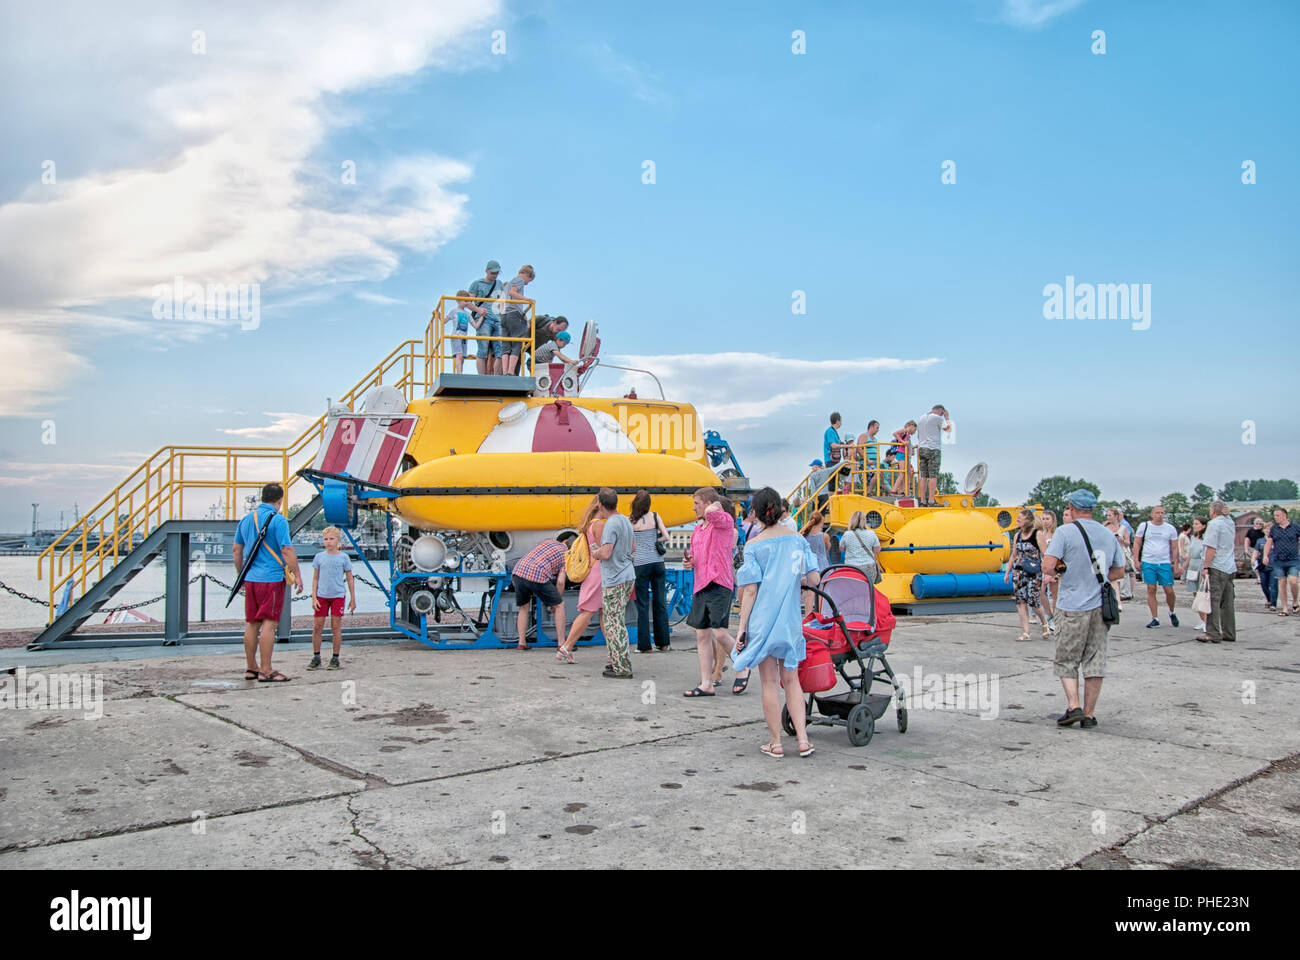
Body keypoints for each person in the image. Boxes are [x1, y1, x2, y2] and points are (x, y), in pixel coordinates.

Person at [731, 487, 821, 758]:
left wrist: (742, 628)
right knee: (792, 680)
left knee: (769, 683)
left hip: (763, 622)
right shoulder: (798, 540)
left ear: (756, 513)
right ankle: (803, 740)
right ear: (781, 510)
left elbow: (750, 590)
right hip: (790, 621)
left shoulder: (754, 545)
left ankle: (776, 743)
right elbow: (814, 579)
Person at [1041, 489, 1124, 728]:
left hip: (1071, 605)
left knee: (1066, 659)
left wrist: (1065, 570)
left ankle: (1073, 705)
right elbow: (1119, 570)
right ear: (1093, 509)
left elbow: (1048, 566)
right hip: (1101, 606)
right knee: (1095, 660)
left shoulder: (1064, 532)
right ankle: (1089, 714)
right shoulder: (1108, 534)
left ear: (1072, 507)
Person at [232, 483, 304, 683]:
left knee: (252, 623)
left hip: (251, 579)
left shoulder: (246, 520)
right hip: (271, 579)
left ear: (262, 498)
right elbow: (286, 550)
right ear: (279, 501)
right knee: (269, 625)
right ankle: (266, 669)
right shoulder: (279, 521)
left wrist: (241, 575)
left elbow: (237, 550)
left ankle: (251, 668)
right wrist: (297, 574)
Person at [683, 487, 746, 696]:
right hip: (701, 584)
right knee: (702, 635)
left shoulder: (724, 522)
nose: (693, 508)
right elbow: (694, 555)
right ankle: (706, 683)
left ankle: (742, 665)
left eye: (696, 503)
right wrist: (688, 562)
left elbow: (714, 514)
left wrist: (713, 505)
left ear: (708, 504)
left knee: (719, 632)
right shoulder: (697, 530)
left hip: (719, 582)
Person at [592, 487, 636, 679]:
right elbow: (633, 547)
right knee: (617, 619)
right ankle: (616, 660)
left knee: (613, 623)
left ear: (600, 505)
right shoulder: (625, 520)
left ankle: (622, 667)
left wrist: (596, 552)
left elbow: (607, 552)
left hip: (614, 578)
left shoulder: (610, 524)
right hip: (628, 574)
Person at [557, 498, 603, 663]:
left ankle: (613, 652)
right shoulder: (598, 525)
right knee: (589, 611)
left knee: (603, 613)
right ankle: (566, 646)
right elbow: (604, 550)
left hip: (592, 571)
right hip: (598, 571)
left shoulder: (588, 524)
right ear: (601, 506)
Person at [512, 533, 571, 652]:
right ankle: (562, 644)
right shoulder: (567, 555)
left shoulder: (547, 541)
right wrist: (556, 602)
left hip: (518, 571)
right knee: (560, 605)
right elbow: (560, 581)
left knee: (524, 607)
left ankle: (522, 642)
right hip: (536, 574)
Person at [308, 526, 356, 670]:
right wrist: (314, 597)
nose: (328, 542)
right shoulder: (319, 557)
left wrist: (353, 598)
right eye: (326, 539)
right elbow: (315, 578)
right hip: (322, 596)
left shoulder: (344, 558)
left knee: (336, 627)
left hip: (337, 596)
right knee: (317, 626)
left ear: (338, 540)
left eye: (331, 539)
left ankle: (335, 658)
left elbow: (350, 578)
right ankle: (316, 656)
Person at [630, 490, 671, 652]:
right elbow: (666, 537)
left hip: (640, 564)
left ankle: (645, 646)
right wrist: (655, 540)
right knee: (660, 602)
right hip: (658, 563)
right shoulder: (655, 516)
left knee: (642, 605)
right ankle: (663, 643)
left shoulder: (631, 521)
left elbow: (630, 545)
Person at [1005, 508, 1051, 641]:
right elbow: (1014, 555)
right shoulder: (1017, 536)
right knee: (1020, 602)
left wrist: (1048, 573)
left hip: (1033, 573)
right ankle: (1026, 632)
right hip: (1019, 573)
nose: (1018, 520)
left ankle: (1044, 623)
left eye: (1021, 518)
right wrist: (1008, 572)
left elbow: (1045, 554)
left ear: (1028, 520)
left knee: (1033, 601)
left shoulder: (1037, 534)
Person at [1133, 505, 1182, 628]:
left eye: (1162, 513)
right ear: (1152, 514)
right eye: (1157, 513)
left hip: (1164, 562)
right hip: (1148, 561)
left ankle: (1171, 611)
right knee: (1151, 588)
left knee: (1169, 590)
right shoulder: (1144, 526)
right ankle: (1155, 618)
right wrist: (1136, 560)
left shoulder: (1170, 528)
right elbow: (1137, 543)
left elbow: (1175, 547)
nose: (1160, 515)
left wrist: (1176, 564)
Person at [1200, 501, 1237, 642]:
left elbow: (1211, 547)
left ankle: (1212, 633)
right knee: (1227, 602)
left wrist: (1205, 566)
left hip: (1217, 566)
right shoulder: (1230, 523)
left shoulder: (1214, 524)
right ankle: (1229, 632)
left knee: (1213, 601)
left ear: (1213, 510)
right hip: (1229, 566)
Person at [468, 260, 504, 374]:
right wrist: (478, 310)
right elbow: (467, 302)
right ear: (486, 271)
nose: (495, 275)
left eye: (497, 273)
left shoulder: (499, 283)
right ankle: (481, 377)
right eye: (493, 273)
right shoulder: (477, 284)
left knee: (500, 350)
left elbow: (502, 301)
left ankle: (497, 378)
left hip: (497, 320)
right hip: (484, 320)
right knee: (483, 349)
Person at [1263, 507, 1300, 615]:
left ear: (1284, 516)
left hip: (1293, 559)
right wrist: (1265, 555)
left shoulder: (1295, 527)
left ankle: (1295, 601)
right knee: (1282, 583)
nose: (1275, 518)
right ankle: (1284, 608)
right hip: (1278, 560)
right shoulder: (1274, 529)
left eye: (1277, 515)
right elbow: (1269, 543)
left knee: (1293, 581)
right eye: (1274, 515)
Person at [500, 265, 535, 376]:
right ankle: (510, 371)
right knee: (517, 342)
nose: (527, 283)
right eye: (529, 280)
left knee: (505, 345)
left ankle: (505, 371)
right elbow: (513, 292)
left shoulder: (508, 283)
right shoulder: (519, 280)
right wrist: (527, 300)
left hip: (504, 315)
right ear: (527, 275)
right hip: (513, 314)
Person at [914, 404, 952, 507]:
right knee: (933, 475)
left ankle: (922, 500)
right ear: (940, 411)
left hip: (922, 448)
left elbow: (918, 435)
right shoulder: (937, 418)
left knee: (923, 476)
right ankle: (931, 500)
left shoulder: (921, 418)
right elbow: (948, 429)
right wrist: (947, 417)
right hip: (933, 448)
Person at [1104, 508, 1135, 605]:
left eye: (1110, 515)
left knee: (1122, 574)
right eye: (1107, 515)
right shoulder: (1104, 527)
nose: (1108, 517)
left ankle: (1122, 594)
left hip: (1121, 552)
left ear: (1116, 516)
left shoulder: (1123, 528)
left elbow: (1128, 543)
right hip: (1108, 552)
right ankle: (1112, 594)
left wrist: (1121, 540)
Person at [1182, 516, 1208, 632]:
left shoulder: (1206, 538)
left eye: (1197, 524)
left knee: (1203, 594)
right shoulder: (1193, 537)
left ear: (1203, 526)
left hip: (1201, 564)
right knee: (1195, 593)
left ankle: (1207, 620)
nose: (1194, 526)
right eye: (1194, 524)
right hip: (1192, 566)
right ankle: (1202, 619)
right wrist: (1184, 567)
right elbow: (1190, 554)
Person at [1246, 517, 1277, 610]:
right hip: (1263, 566)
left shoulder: (1276, 540)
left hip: (1274, 566)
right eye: (1267, 529)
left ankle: (1273, 603)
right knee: (1264, 584)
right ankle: (1269, 599)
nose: (1268, 531)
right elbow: (1256, 551)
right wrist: (1253, 559)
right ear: (1264, 530)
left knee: (1273, 585)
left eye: (1270, 529)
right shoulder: (1260, 541)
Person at [839, 511, 881, 580]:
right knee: (868, 588)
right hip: (868, 567)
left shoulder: (847, 534)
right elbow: (877, 550)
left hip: (851, 567)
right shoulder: (871, 533)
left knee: (853, 588)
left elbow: (841, 549)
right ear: (864, 521)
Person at [446, 291, 475, 374]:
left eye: (467, 301)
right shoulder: (454, 310)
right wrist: (438, 315)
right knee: (459, 355)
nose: (466, 303)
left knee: (463, 357)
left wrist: (482, 317)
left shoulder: (467, 314)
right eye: (465, 301)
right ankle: (459, 373)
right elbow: (445, 321)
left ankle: (460, 371)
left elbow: (475, 325)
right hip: (456, 335)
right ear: (458, 300)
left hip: (464, 338)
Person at [1039, 509, 1058, 623]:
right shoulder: (1040, 533)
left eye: (1047, 519)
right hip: (1042, 564)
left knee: (1054, 593)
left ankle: (1056, 618)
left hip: (1054, 565)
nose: (1045, 521)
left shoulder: (1056, 533)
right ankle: (1049, 614)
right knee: (1040, 591)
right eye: (1043, 519)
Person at [888, 421, 917, 495]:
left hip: (905, 454)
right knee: (902, 473)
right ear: (912, 426)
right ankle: (894, 490)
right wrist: (902, 442)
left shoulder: (907, 435)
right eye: (915, 429)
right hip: (901, 454)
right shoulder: (905, 430)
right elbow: (895, 433)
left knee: (905, 473)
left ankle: (902, 490)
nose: (914, 431)